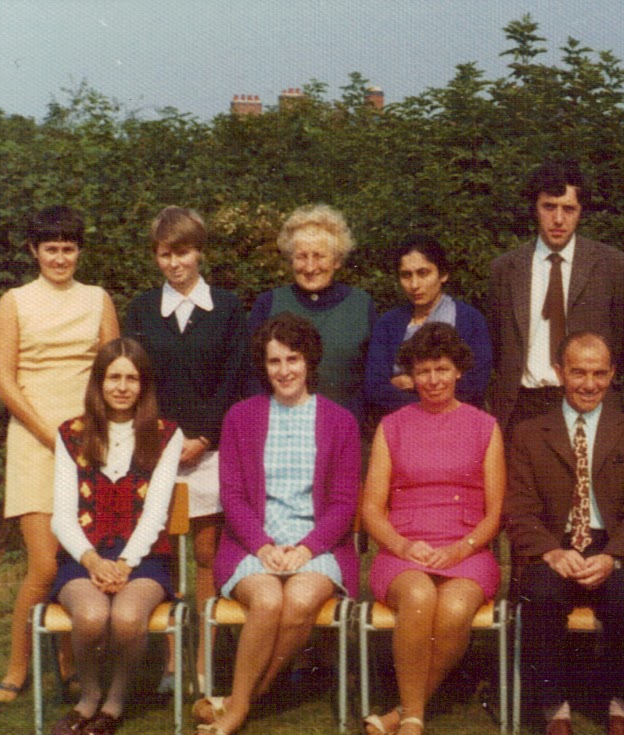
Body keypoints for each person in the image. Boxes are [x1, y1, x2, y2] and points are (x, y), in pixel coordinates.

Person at [191, 314, 361, 735]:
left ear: (309, 362)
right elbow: (232, 495)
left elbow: (344, 503)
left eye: (293, 359)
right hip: (253, 543)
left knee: (300, 598)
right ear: (262, 366)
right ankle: (246, 700)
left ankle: (240, 701)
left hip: (318, 545)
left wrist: (307, 549)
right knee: (267, 599)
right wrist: (263, 546)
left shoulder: (339, 421)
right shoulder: (241, 417)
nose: (284, 370)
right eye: (274, 361)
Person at [0, 205, 120, 703]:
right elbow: (4, 380)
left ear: (78, 251)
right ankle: (18, 665)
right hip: (34, 440)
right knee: (44, 565)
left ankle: (69, 661)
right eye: (51, 249)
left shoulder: (98, 299)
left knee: (75, 560)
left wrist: (96, 435)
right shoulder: (15, 302)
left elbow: (114, 370)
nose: (60, 258)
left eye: (68, 249)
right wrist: (51, 436)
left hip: (91, 441)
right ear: (34, 251)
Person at [505, 331, 624, 735]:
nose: (589, 384)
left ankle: (621, 710)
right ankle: (556, 713)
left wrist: (613, 556)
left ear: (612, 375)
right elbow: (518, 509)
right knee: (542, 594)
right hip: (555, 543)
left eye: (598, 374)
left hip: (613, 543)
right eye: (578, 373)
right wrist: (550, 552)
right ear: (559, 373)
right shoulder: (530, 432)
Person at [362, 323, 506, 735]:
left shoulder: (485, 426)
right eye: (422, 371)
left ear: (458, 370)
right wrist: (404, 546)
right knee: (421, 596)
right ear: (410, 376)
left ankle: (404, 711)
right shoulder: (392, 426)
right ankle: (412, 719)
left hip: (467, 547)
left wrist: (461, 548)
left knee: (457, 605)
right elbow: (370, 508)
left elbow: (495, 512)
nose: (433, 380)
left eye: (442, 369)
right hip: (404, 546)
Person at [123, 206, 248, 694]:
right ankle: (173, 663)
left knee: (204, 555)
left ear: (200, 252)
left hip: (210, 451)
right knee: (163, 557)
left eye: (184, 252)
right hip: (155, 451)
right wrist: (161, 437)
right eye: (165, 254)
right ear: (156, 256)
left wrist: (204, 438)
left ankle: (204, 662)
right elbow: (134, 379)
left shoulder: (229, 308)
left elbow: (236, 378)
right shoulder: (140, 309)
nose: (175, 263)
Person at [47, 339, 184, 735]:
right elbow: (63, 515)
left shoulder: (165, 434)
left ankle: (115, 703)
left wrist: (125, 563)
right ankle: (88, 697)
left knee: (126, 618)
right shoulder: (71, 434)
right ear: (99, 383)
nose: (122, 387)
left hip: (143, 559)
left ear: (143, 385)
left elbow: (156, 512)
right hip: (82, 556)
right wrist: (92, 561)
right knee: (91, 617)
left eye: (131, 378)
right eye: (113, 377)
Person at [485, 159, 624, 430]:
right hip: (522, 405)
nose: (558, 219)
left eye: (568, 209)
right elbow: (497, 342)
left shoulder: (611, 265)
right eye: (549, 207)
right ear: (535, 208)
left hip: (588, 403)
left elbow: (621, 341)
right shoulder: (504, 269)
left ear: (580, 212)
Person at [247, 204, 378, 422]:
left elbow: (371, 378)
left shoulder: (361, 304)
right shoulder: (268, 303)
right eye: (301, 256)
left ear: (337, 260)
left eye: (319, 256)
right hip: (281, 426)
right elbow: (252, 375)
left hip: (345, 428)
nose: (310, 267)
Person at [363, 235, 492, 426]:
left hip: (457, 425)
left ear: (443, 274)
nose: (414, 285)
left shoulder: (469, 320)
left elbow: (474, 385)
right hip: (403, 425)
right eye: (406, 275)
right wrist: (434, 396)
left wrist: (413, 384)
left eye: (423, 273)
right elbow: (375, 388)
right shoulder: (389, 324)